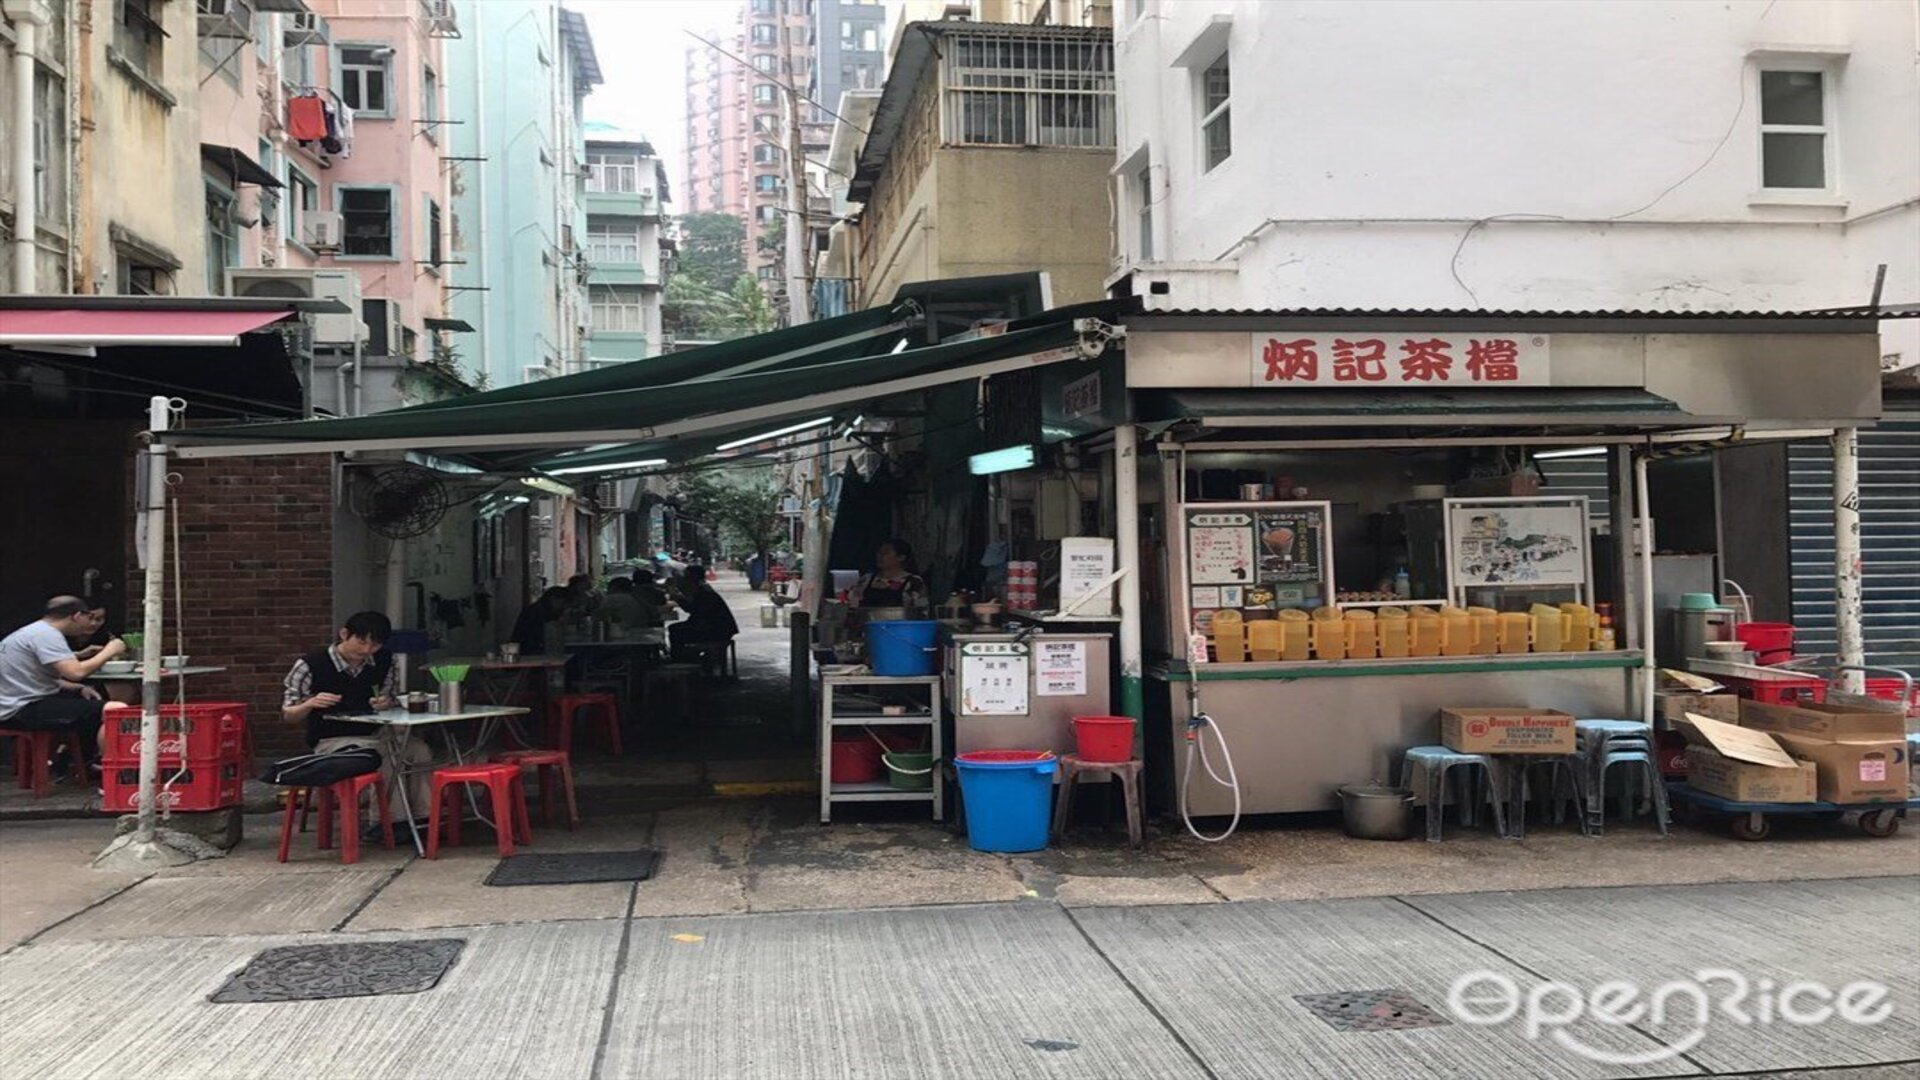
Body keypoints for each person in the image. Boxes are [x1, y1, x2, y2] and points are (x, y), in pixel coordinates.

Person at [281, 611, 432, 817]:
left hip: (375, 731)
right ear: (344, 634)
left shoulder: (385, 660)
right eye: (361, 642)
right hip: (332, 739)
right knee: (385, 754)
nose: (367, 650)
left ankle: (426, 818)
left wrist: (386, 703)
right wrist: (310, 703)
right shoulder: (310, 664)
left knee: (418, 749)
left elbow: (392, 699)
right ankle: (390, 823)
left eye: (375, 645)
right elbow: (289, 714)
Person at [0, 596, 124, 776]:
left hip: (15, 702)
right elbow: (76, 673)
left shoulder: (32, 631)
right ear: (76, 615)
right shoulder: (47, 635)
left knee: (89, 701)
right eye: (88, 617)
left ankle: (82, 763)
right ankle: (114, 778)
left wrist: (79, 687)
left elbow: (33, 675)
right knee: (115, 710)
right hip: (23, 708)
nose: (89, 623)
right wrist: (110, 650)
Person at [668, 564, 738, 656]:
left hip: (717, 630)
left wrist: (679, 599)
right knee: (676, 628)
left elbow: (694, 609)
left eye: (687, 576)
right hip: (714, 627)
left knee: (676, 631)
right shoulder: (701, 588)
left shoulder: (704, 592)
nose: (685, 579)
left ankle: (684, 658)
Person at [852, 539, 928, 611]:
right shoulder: (866, 579)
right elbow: (854, 605)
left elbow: (921, 610)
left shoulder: (914, 582)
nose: (880, 556)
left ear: (901, 557)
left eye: (885, 552)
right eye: (879, 552)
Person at [508, 587, 572, 655]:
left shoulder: (535, 609)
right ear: (553, 599)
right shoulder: (538, 613)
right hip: (531, 651)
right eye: (562, 603)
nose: (563, 606)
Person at [596, 576, 663, 631]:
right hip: (641, 632)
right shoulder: (636, 598)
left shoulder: (612, 598)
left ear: (613, 587)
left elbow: (600, 617)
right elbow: (655, 613)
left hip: (620, 633)